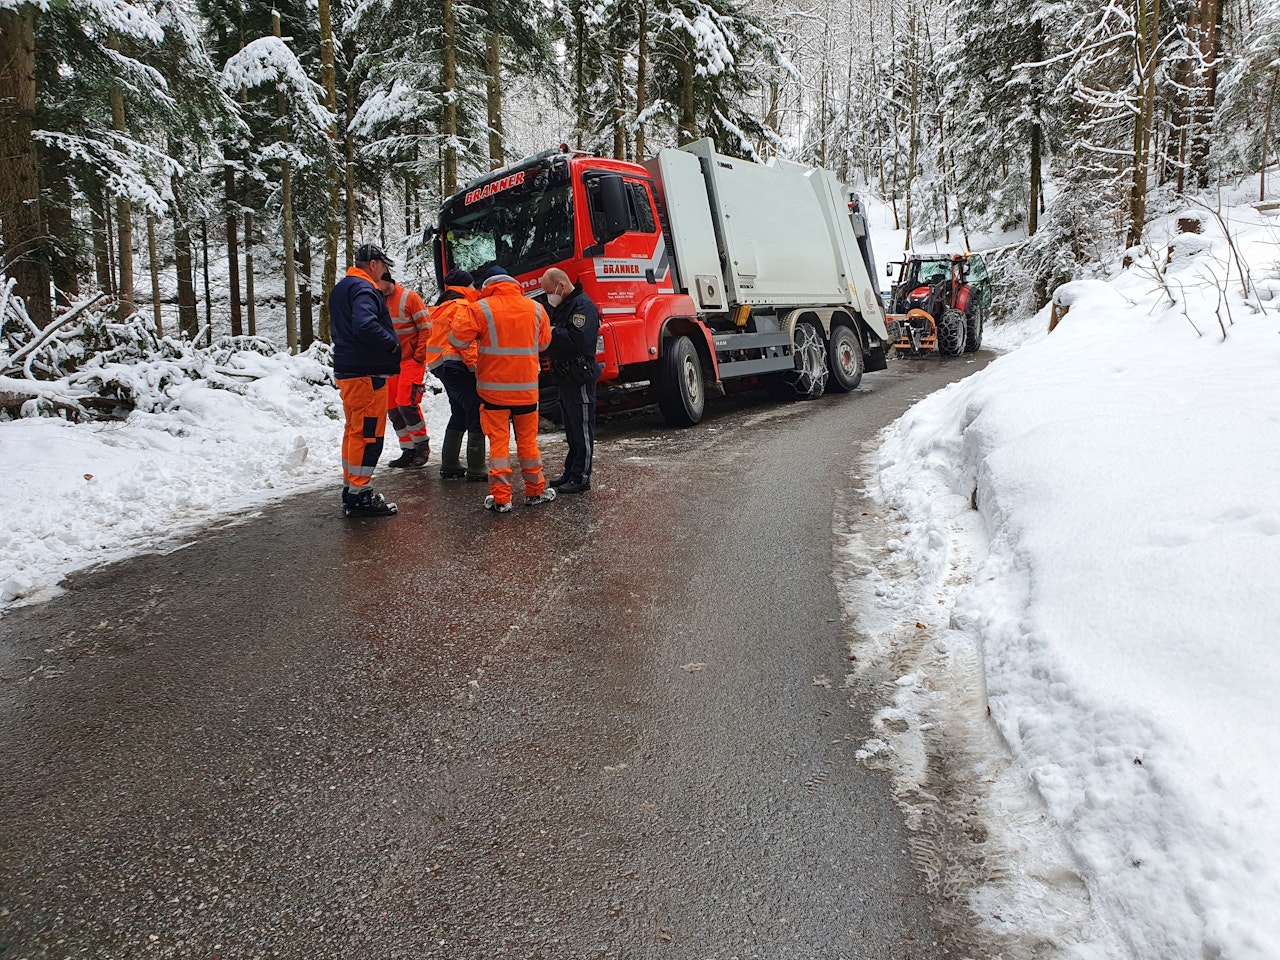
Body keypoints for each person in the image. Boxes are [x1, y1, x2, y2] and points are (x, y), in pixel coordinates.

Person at [449, 265, 554, 513]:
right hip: (526, 390)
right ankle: (535, 491)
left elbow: (457, 340)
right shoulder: (536, 308)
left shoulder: (480, 309)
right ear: (514, 284)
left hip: (493, 392)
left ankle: (501, 499)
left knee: (498, 445)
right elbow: (544, 344)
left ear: (488, 286)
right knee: (528, 443)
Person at [329, 243, 401, 517]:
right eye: (383, 265)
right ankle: (360, 495)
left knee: (354, 431)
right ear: (373, 264)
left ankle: (352, 488)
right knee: (368, 434)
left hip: (350, 371)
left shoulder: (342, 288)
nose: (384, 271)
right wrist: (391, 345)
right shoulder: (363, 289)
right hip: (366, 374)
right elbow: (364, 324)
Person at [539, 267, 601, 494]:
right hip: (565, 376)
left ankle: (581, 477)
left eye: (549, 291)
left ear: (561, 286)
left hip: (579, 375)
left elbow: (579, 340)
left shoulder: (583, 307)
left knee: (582, 428)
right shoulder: (565, 306)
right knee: (572, 429)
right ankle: (571, 471)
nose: (549, 296)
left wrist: (552, 331)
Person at [424, 268, 485, 481]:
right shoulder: (463, 306)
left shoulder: (438, 308)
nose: (474, 289)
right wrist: (475, 367)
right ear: (464, 287)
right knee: (476, 410)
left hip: (441, 366)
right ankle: (477, 466)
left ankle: (450, 463)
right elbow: (465, 340)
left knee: (459, 412)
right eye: (471, 285)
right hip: (458, 365)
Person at [375, 271, 432, 469]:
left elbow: (426, 328)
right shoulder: (377, 300)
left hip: (410, 360)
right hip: (390, 363)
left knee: (406, 403)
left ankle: (421, 446)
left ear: (387, 280)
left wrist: (419, 356)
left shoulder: (410, 298)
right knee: (392, 407)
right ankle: (407, 449)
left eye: (377, 282)